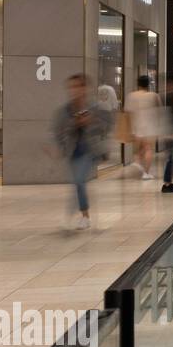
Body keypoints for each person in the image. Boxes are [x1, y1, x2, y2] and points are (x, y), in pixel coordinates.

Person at [52, 74, 112, 230]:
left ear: (85, 88)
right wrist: (74, 124)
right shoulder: (65, 110)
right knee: (77, 183)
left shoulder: (95, 108)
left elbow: (106, 126)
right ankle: (76, 212)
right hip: (73, 151)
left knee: (79, 181)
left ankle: (85, 216)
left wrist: (91, 121)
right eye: (71, 87)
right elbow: (59, 131)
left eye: (78, 86)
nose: (74, 90)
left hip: (90, 151)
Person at [127, 74, 161, 180]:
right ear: (148, 84)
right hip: (150, 126)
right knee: (148, 149)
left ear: (138, 84)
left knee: (137, 150)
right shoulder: (154, 95)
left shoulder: (131, 96)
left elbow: (128, 113)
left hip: (136, 125)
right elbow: (159, 111)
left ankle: (137, 164)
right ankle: (145, 172)